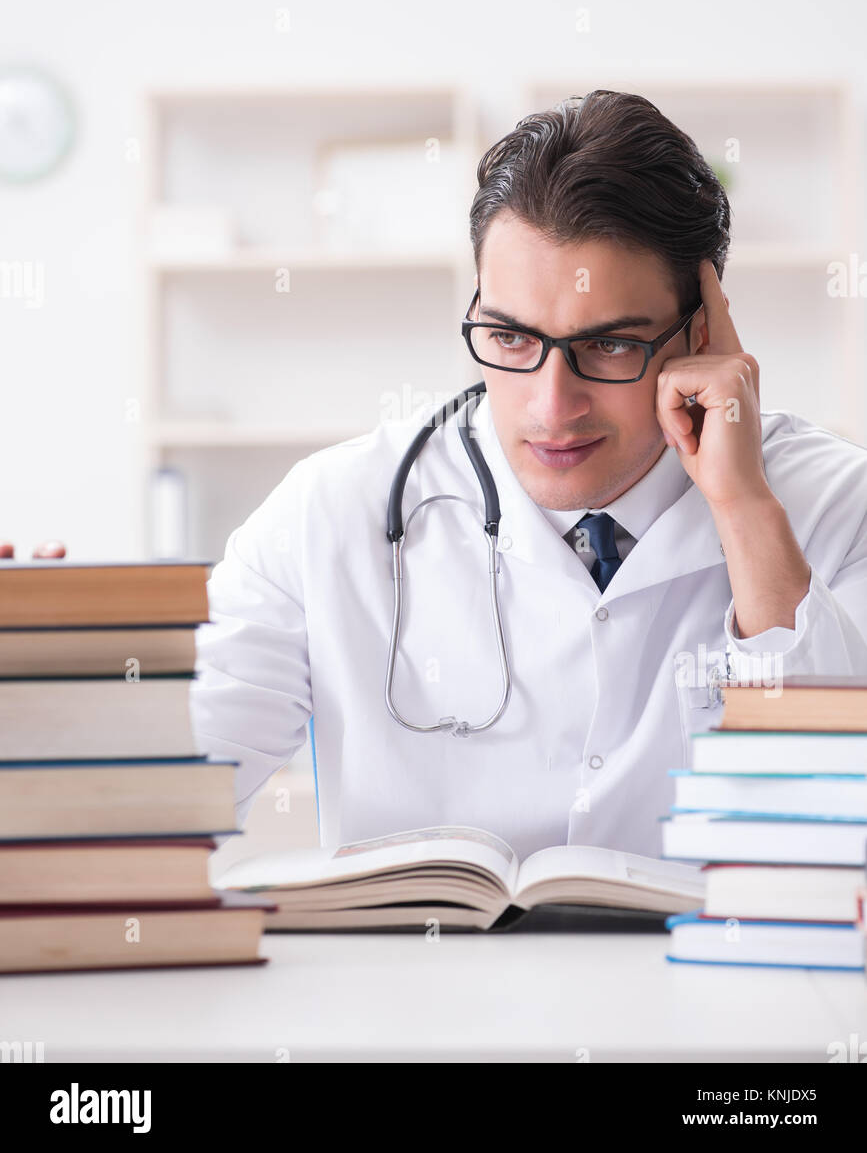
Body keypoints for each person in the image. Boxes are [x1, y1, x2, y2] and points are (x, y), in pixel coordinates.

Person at [190, 90, 867, 861]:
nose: (552, 404)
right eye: (510, 336)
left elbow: (832, 814)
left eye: (609, 345)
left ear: (701, 328)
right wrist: (49, 661)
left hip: (718, 977)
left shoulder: (836, 506)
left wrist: (744, 509)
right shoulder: (329, 512)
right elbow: (161, 793)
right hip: (418, 982)